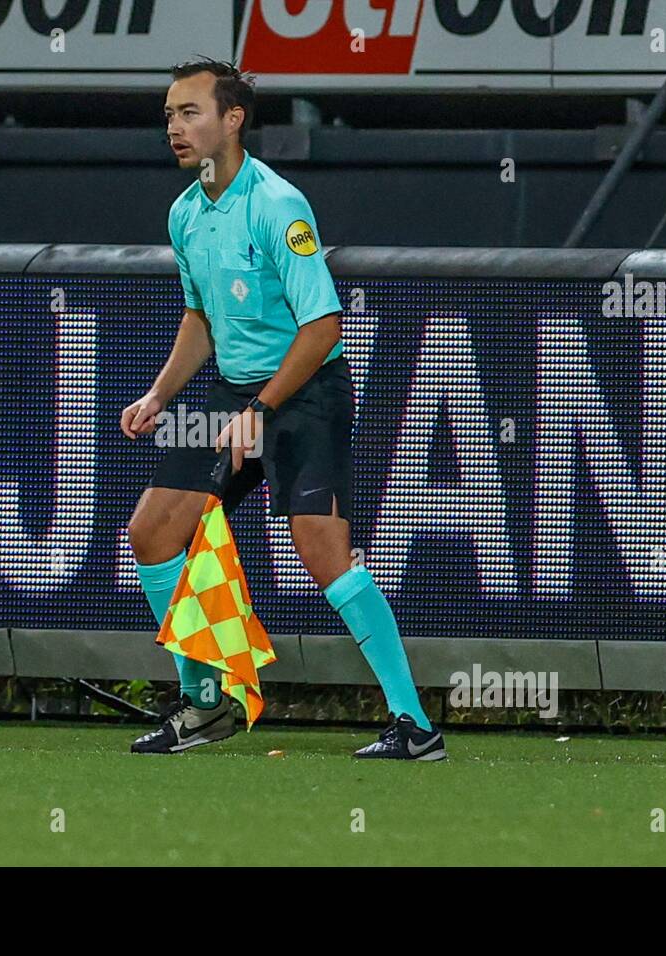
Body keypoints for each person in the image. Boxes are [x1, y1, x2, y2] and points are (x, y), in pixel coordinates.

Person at [120, 57, 445, 761]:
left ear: (233, 120)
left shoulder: (276, 204)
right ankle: (205, 704)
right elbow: (200, 318)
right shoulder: (185, 212)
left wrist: (260, 410)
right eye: (170, 114)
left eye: (191, 112)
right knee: (152, 534)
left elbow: (324, 326)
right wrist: (159, 394)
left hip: (304, 393)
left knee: (321, 552)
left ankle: (414, 725)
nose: (176, 127)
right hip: (235, 394)